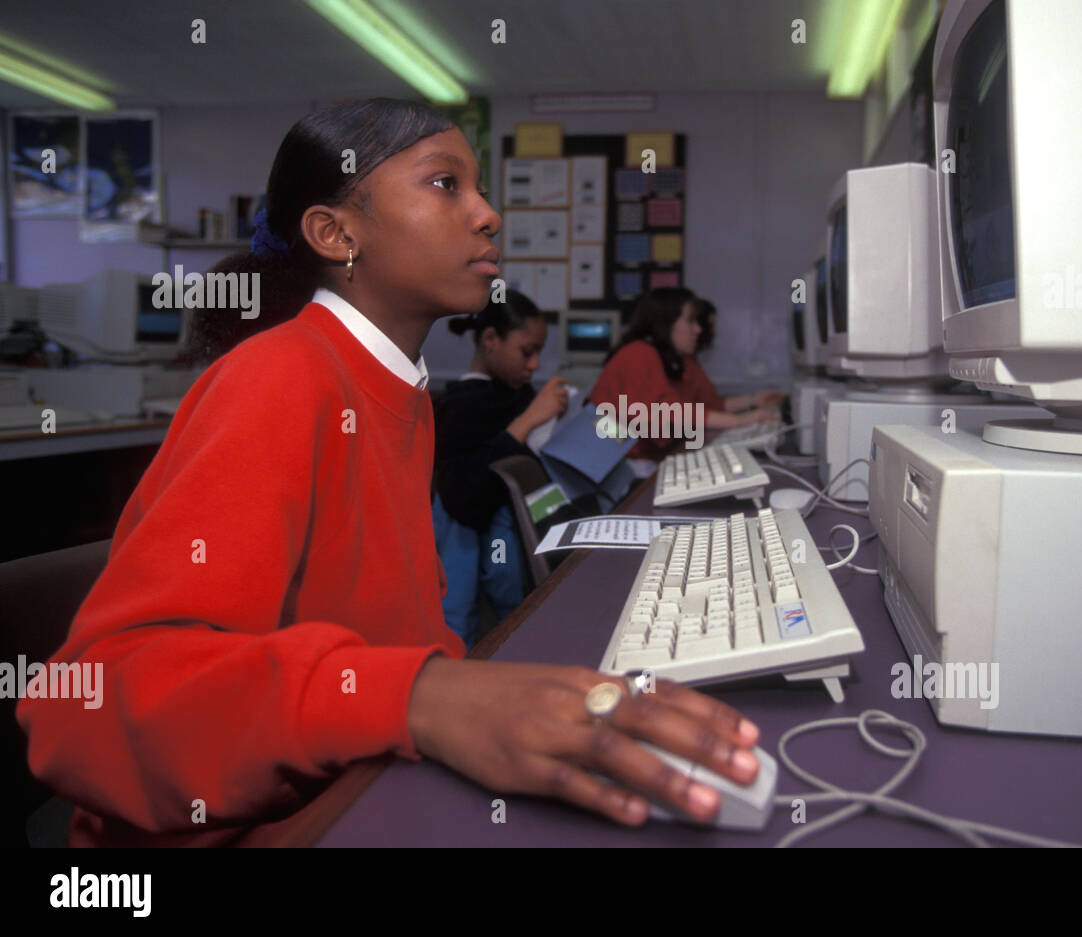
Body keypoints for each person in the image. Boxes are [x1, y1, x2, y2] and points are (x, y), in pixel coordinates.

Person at [18, 99, 761, 846]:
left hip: (364, 780)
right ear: (337, 233)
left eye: (480, 187)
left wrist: (470, 696)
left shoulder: (400, 387)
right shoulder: (281, 377)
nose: (489, 214)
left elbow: (394, 624)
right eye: (446, 184)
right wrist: (422, 696)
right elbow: (85, 708)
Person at [434, 289, 571, 642]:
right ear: (491, 339)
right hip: (474, 548)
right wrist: (527, 421)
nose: (535, 365)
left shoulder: (515, 395)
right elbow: (465, 500)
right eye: (527, 352)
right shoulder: (462, 407)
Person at [589, 288, 785, 462]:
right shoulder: (638, 354)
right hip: (620, 464)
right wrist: (740, 421)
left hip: (644, 457)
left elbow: (703, 405)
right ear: (666, 323)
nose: (698, 329)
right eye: (690, 321)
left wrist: (753, 401)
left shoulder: (671, 358)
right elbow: (667, 413)